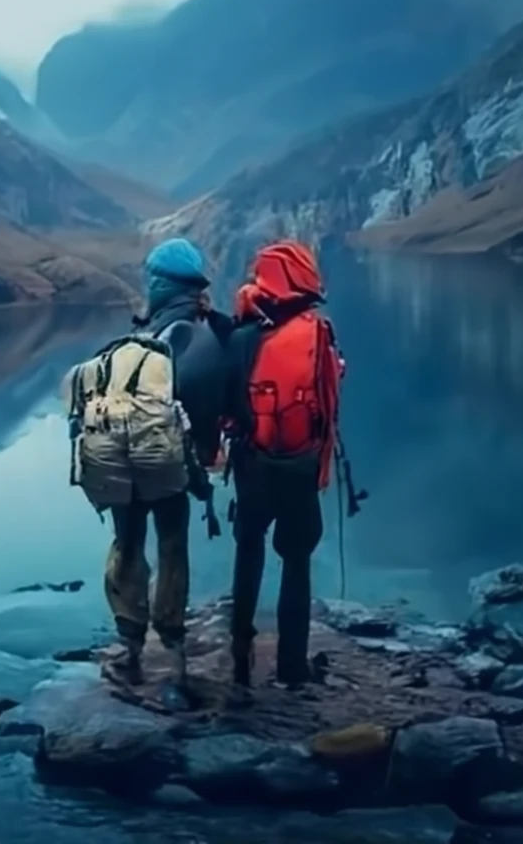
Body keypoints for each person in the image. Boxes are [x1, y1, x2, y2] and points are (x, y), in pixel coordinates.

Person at [103, 237, 230, 687]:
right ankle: (174, 655)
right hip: (177, 467)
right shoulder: (214, 334)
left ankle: (130, 648)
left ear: (160, 283)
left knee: (128, 546)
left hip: (125, 463)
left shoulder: (138, 340)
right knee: (173, 547)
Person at [222, 241, 344, 689]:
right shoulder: (317, 333)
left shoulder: (240, 336)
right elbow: (329, 405)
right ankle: (292, 669)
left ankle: (241, 647)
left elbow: (228, 407)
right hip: (299, 465)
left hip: (252, 462)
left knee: (248, 546)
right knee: (296, 561)